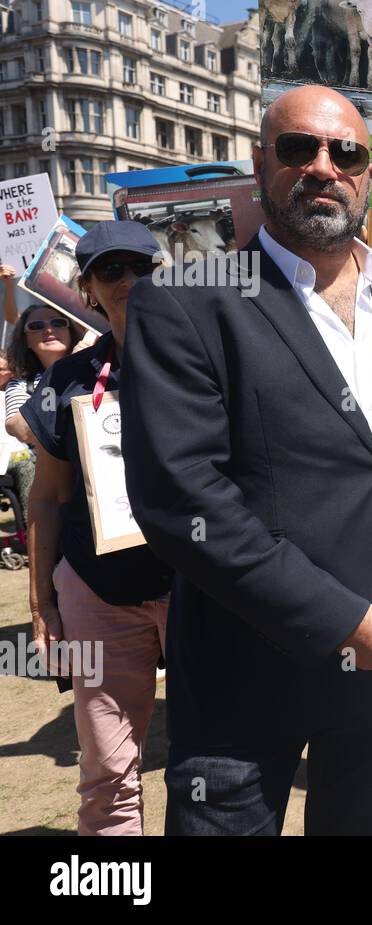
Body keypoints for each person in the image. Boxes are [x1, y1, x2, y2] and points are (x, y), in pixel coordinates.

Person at [120, 85, 372, 836]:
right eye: (300, 148)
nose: (324, 167)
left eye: (347, 153)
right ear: (261, 161)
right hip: (244, 676)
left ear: (369, 174)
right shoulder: (184, 301)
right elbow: (182, 500)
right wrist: (343, 620)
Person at [23, 220, 173, 834]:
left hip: (202, 590)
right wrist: (42, 605)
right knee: (109, 772)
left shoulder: (213, 364)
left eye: (143, 268)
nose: (129, 281)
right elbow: (47, 498)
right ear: (86, 288)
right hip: (99, 591)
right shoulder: (68, 381)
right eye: (111, 271)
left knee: (217, 763)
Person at [5, 305, 86, 520]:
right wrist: (60, 375)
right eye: (37, 326)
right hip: (52, 485)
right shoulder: (21, 385)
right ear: (27, 341)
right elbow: (21, 429)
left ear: (71, 331)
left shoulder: (97, 368)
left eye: (58, 322)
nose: (48, 329)